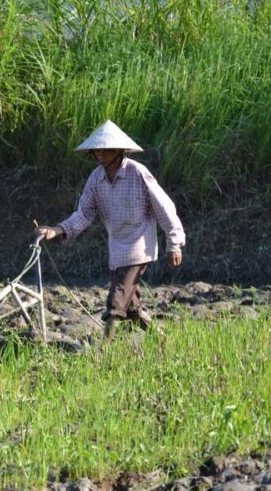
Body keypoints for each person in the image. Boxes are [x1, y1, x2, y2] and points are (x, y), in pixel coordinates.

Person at [35, 120, 185, 342]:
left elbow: (164, 207)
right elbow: (84, 213)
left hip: (138, 247)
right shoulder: (96, 179)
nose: (101, 153)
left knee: (115, 302)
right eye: (98, 149)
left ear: (120, 150)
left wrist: (174, 243)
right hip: (117, 250)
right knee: (131, 307)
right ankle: (163, 340)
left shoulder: (138, 173)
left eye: (106, 149)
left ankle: (104, 352)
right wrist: (56, 230)